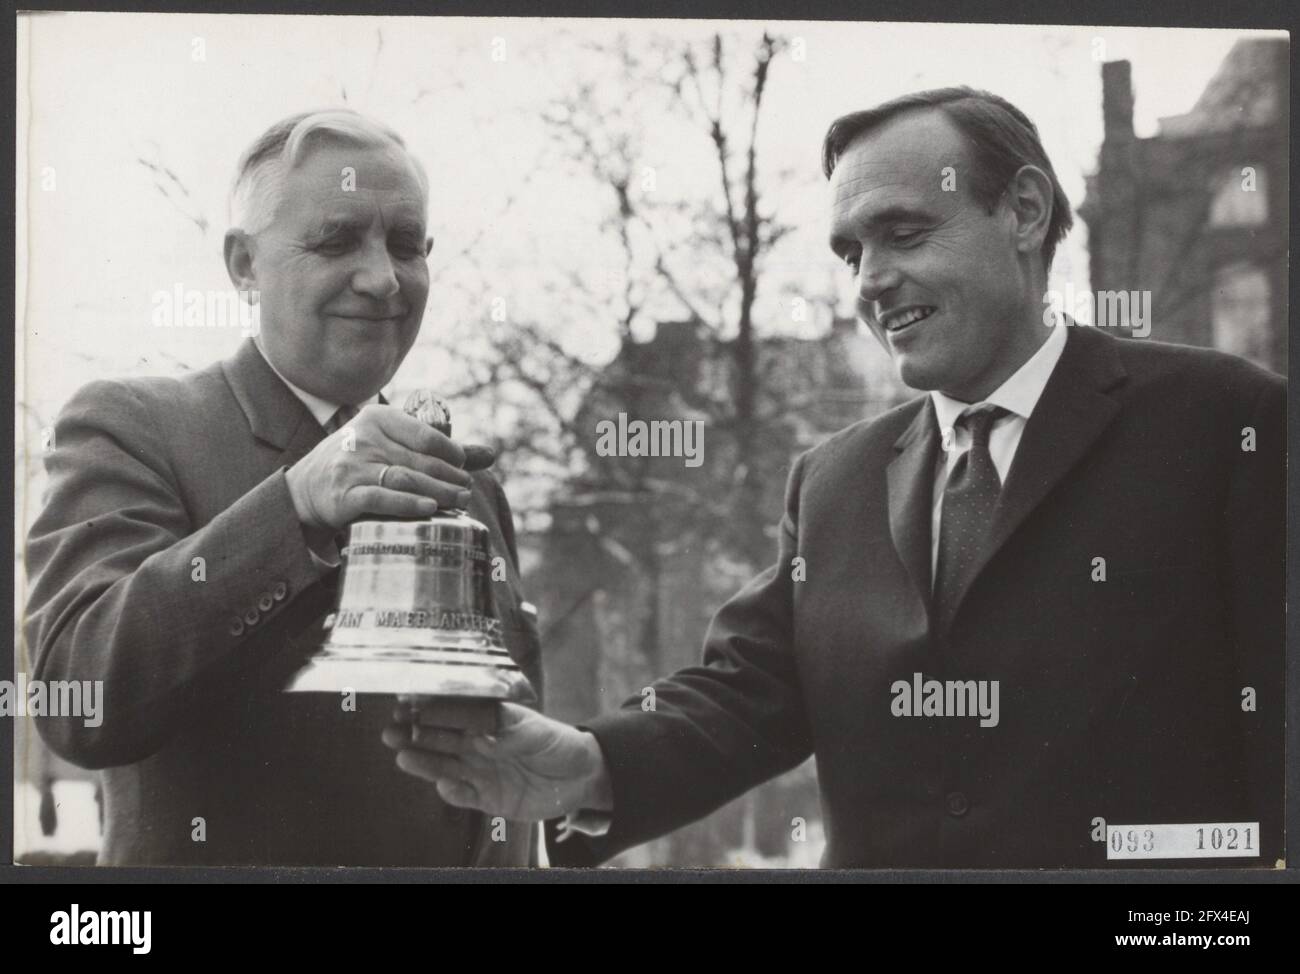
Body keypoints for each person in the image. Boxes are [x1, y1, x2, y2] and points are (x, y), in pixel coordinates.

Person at [385, 88, 1284, 869]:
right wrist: (590, 763)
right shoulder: (835, 481)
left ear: (1025, 211)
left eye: (904, 233)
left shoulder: (1225, 424)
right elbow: (749, 693)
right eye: (851, 253)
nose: (872, 282)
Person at [24, 108, 543, 866]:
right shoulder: (133, 426)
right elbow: (77, 698)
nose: (382, 277)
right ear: (243, 263)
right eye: (337, 240)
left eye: (407, 244)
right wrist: (296, 505)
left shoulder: (464, 480)